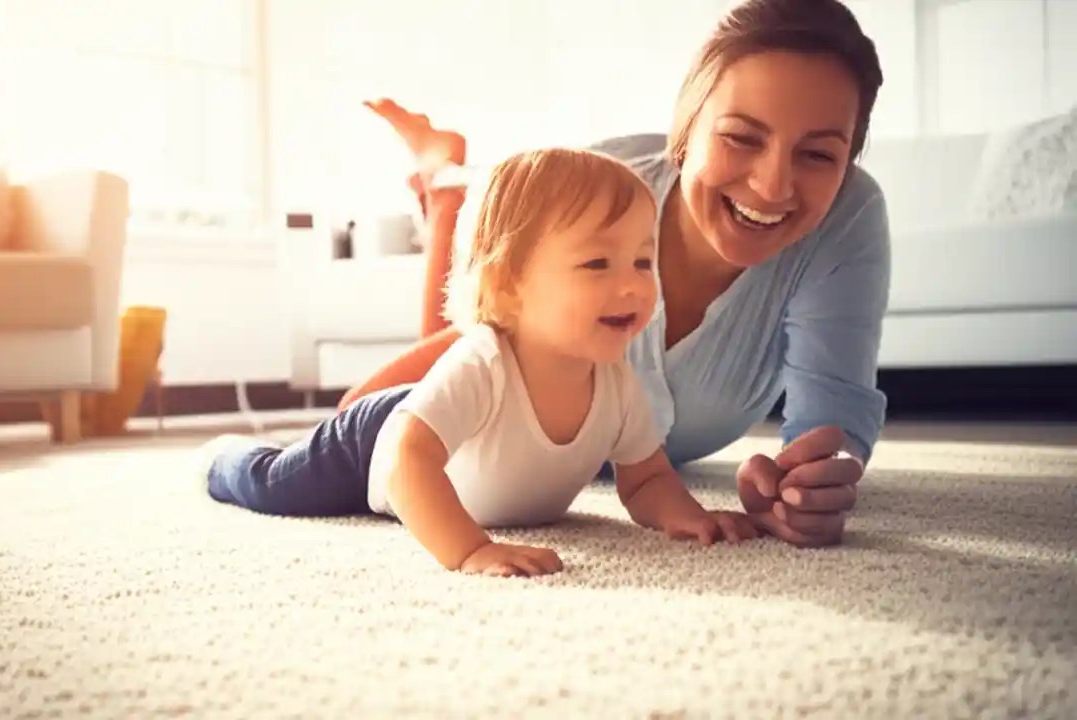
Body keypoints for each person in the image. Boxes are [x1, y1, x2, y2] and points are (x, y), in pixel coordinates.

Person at [346, 0, 890, 549]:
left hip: (638, 463)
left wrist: (806, 482)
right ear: (685, 128)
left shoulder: (849, 217)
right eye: (741, 138)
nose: (773, 187)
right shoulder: (601, 198)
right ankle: (444, 187)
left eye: (818, 155)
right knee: (369, 418)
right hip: (514, 340)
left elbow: (835, 419)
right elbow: (465, 355)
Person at [203, 147, 759, 578]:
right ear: (507, 285)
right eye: (597, 262)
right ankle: (222, 457)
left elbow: (646, 481)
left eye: (643, 260)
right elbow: (407, 462)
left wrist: (687, 515)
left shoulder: (615, 384)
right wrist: (471, 550)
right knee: (275, 485)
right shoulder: (482, 364)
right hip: (379, 439)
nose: (633, 284)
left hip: (428, 438)